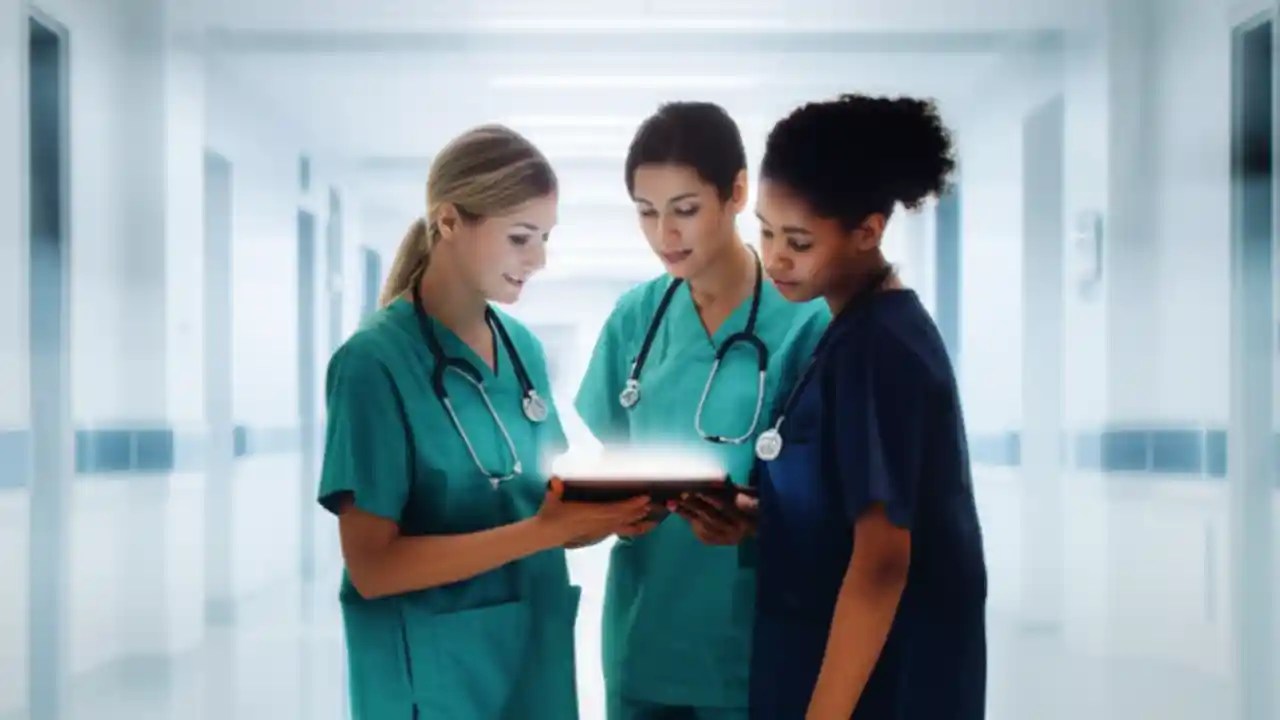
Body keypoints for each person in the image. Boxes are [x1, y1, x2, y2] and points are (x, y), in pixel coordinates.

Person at [316, 124, 653, 720]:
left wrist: (616, 512)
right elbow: (372, 567)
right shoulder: (373, 365)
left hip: (531, 667)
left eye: (546, 238)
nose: (540, 259)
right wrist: (544, 531)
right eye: (521, 237)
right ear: (448, 222)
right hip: (435, 679)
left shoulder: (519, 346)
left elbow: (537, 509)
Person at [703, 94, 989, 719]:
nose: (775, 257)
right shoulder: (851, 333)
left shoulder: (879, 347)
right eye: (767, 231)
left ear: (867, 231)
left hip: (874, 693)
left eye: (799, 241)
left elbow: (883, 561)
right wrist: (760, 518)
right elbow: (843, 505)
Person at [573, 101, 829, 720]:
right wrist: (609, 508)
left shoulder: (806, 321)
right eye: (646, 212)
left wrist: (757, 521)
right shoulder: (635, 318)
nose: (666, 235)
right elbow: (614, 459)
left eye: (685, 210)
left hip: (750, 646)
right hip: (644, 642)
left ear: (737, 192)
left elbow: (840, 501)